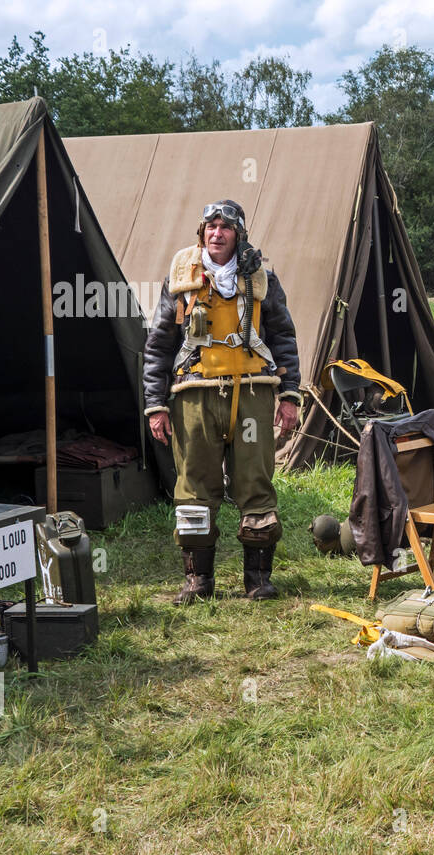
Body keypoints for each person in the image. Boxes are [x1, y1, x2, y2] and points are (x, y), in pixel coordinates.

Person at [143, 200, 301, 604]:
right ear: (202, 233)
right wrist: (155, 404)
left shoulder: (264, 281)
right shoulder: (181, 280)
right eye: (210, 226)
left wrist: (290, 395)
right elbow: (159, 344)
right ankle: (198, 581)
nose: (217, 233)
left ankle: (258, 580)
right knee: (194, 487)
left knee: (256, 484)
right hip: (194, 397)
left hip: (252, 394)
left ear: (239, 234)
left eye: (225, 227)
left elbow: (283, 337)